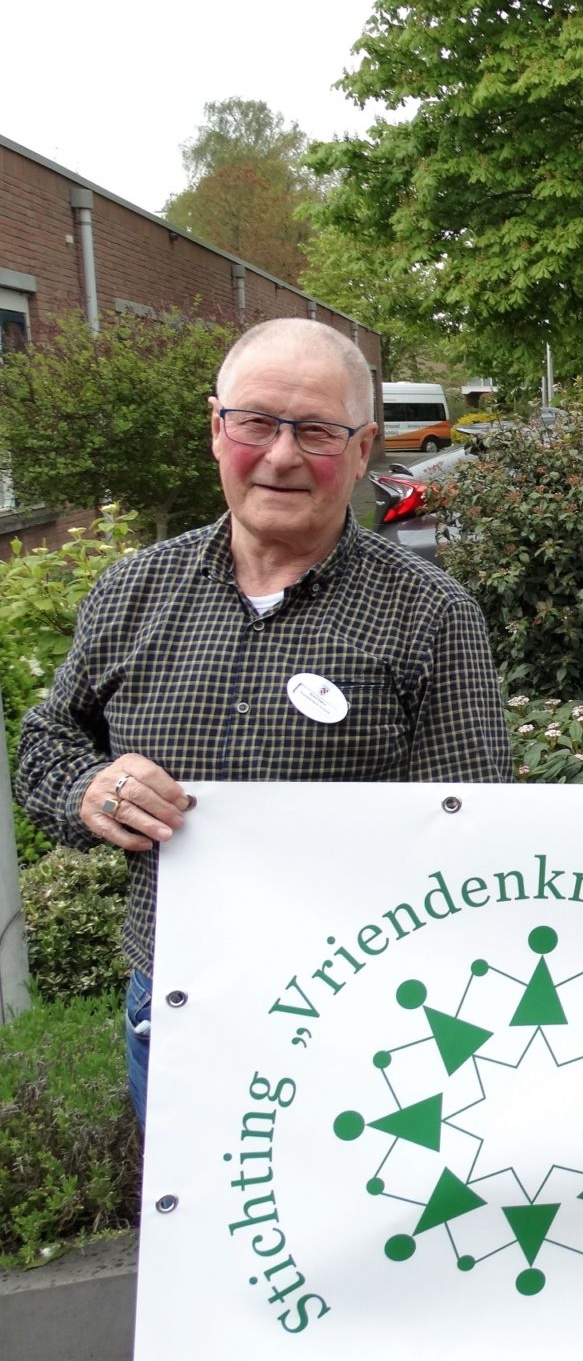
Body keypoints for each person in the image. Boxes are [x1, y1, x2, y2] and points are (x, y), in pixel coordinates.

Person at [14, 318, 511, 1122]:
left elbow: (476, 832)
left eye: (317, 430)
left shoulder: (431, 617)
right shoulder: (132, 591)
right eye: (256, 423)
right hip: (173, 1013)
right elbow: (45, 745)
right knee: (191, 1242)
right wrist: (90, 788)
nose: (281, 456)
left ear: (361, 450)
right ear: (217, 430)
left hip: (359, 1024)